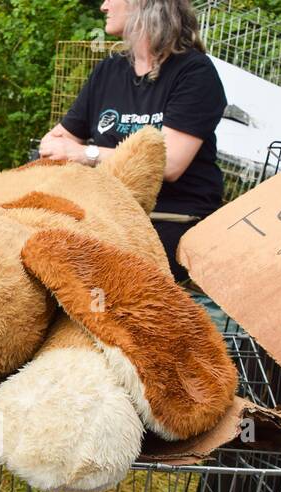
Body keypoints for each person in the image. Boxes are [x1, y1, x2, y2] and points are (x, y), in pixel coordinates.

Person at [39, 0, 225, 285]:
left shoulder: (194, 73)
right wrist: (58, 147)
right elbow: (58, 138)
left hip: (172, 217)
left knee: (99, 275)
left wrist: (85, 153)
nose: (103, 6)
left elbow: (169, 163)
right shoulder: (108, 71)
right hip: (107, 211)